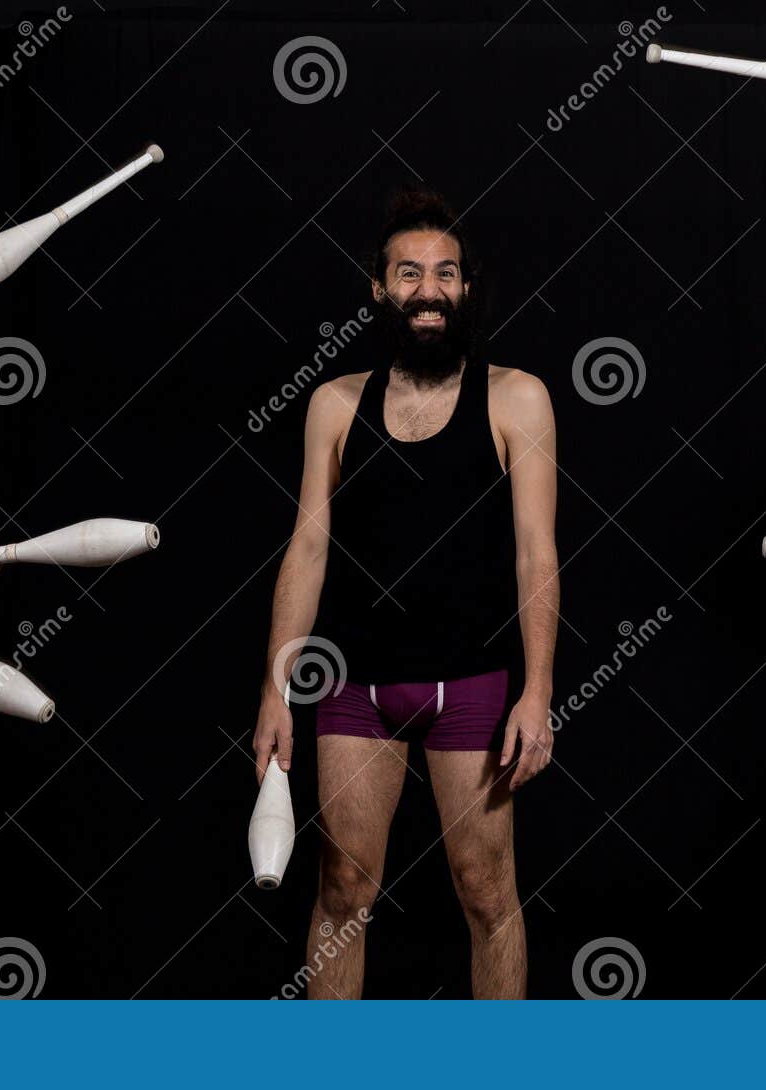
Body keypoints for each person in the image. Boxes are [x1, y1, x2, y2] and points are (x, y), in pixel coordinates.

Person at [252, 186, 559, 998]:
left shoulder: (517, 396)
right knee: (343, 892)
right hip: (354, 687)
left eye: (446, 274)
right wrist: (277, 690)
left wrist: (539, 691)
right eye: (411, 274)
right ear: (380, 290)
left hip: (475, 688)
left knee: (489, 896)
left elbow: (537, 553)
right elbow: (308, 549)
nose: (430, 290)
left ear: (464, 288)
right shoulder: (335, 404)